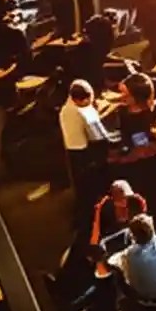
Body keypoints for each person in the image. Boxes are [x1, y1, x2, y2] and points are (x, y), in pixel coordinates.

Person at [59, 80, 110, 216]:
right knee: (87, 187)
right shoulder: (78, 112)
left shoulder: (66, 107)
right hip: (81, 152)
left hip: (71, 150)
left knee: (79, 186)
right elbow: (97, 135)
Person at [89, 180, 148, 251]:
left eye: (125, 198)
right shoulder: (104, 210)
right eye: (121, 199)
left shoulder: (136, 204)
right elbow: (95, 234)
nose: (124, 201)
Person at [118, 73, 156, 149]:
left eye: (126, 94)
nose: (121, 96)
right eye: (121, 92)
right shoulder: (118, 111)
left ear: (138, 97)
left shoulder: (148, 118)